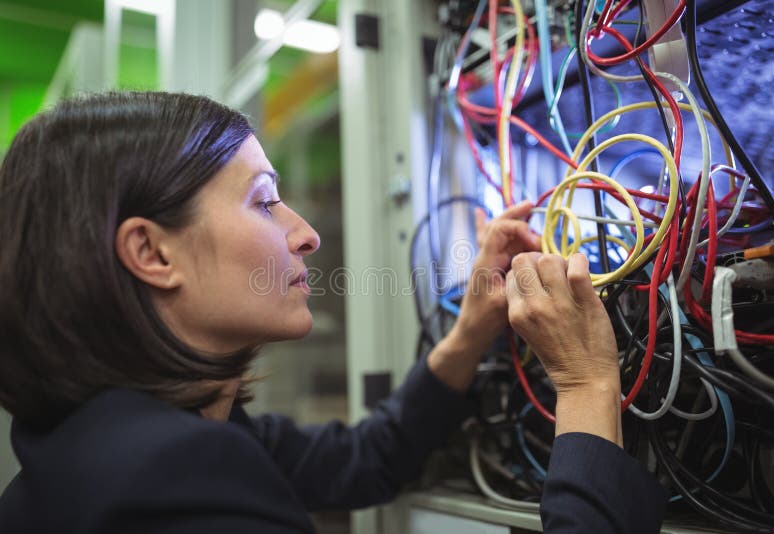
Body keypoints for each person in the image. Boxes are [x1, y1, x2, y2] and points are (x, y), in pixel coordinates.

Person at [0, 92, 665, 533]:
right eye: (263, 201)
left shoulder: (132, 440)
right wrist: (586, 385)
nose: (307, 234)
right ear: (150, 251)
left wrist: (468, 336)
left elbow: (366, 459)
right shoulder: (170, 485)